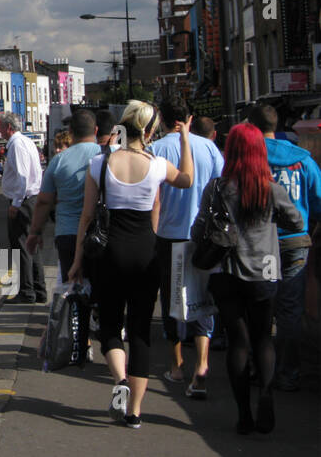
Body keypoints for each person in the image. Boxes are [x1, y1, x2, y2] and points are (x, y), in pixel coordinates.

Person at [68, 100, 193, 429]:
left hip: (109, 254)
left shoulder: (99, 163)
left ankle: (120, 379)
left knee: (109, 324)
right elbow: (187, 180)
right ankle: (134, 412)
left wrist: (78, 260)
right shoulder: (157, 165)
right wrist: (185, 139)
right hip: (145, 254)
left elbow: (87, 215)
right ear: (150, 131)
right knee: (140, 331)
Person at [195, 124, 303, 434]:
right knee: (263, 339)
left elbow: (199, 228)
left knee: (238, 343)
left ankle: (243, 415)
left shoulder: (217, 188)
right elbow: (295, 220)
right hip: (265, 271)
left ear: (230, 151)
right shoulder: (269, 188)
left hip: (226, 273)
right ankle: (266, 396)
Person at [244, 103, 321, 394]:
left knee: (261, 305)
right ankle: (288, 372)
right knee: (290, 310)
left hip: (260, 243)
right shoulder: (302, 159)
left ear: (250, 126)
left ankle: (258, 367)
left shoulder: (248, 158)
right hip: (294, 243)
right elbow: (318, 199)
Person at [149, 100, 223, 397]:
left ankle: (177, 364)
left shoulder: (156, 150)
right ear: (189, 118)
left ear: (162, 120)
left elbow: (153, 199)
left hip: (169, 234)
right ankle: (202, 363)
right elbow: (220, 188)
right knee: (203, 297)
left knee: (171, 298)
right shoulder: (208, 147)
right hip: (204, 235)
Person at [27, 108, 97, 283]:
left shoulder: (59, 161)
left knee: (71, 285)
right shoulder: (106, 155)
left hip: (67, 233)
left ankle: (74, 309)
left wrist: (35, 232)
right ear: (95, 130)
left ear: (71, 133)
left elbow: (44, 201)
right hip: (99, 233)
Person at [0, 113, 45, 303]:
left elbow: (23, 176)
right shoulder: (26, 142)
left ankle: (27, 292)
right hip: (30, 199)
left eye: (0, 126)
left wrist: (16, 203)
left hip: (23, 201)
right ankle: (39, 290)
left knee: (21, 245)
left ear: (9, 127)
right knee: (31, 245)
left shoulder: (17, 145)